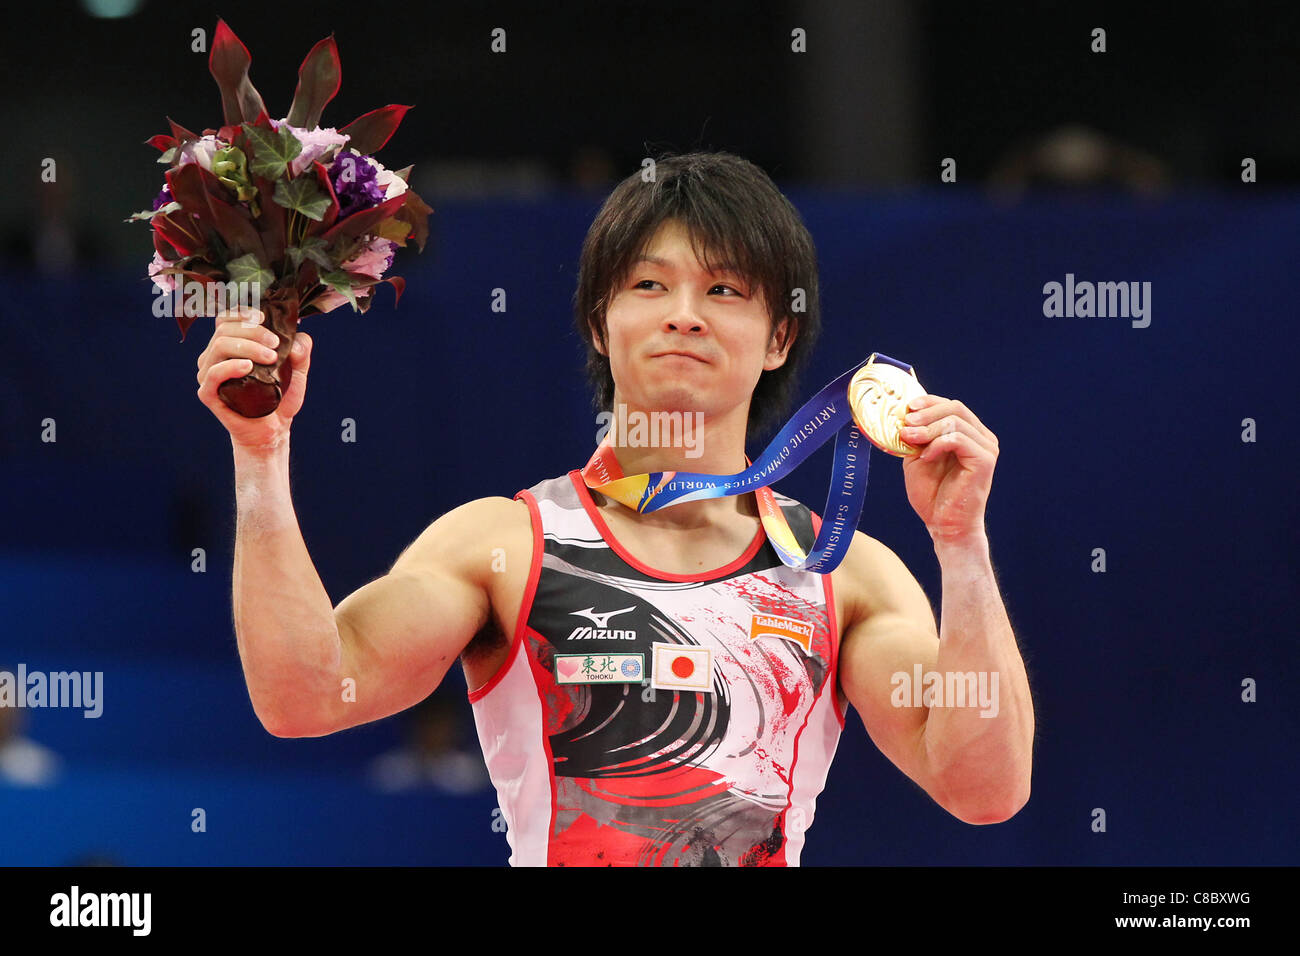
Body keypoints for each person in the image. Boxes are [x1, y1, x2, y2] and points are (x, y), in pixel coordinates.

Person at [197, 151, 1034, 866]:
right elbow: (305, 698)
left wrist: (961, 546)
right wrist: (261, 456)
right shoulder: (506, 546)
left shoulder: (838, 570)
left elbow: (984, 788)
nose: (683, 315)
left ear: (780, 337)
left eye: (726, 291)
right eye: (648, 284)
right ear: (600, 322)